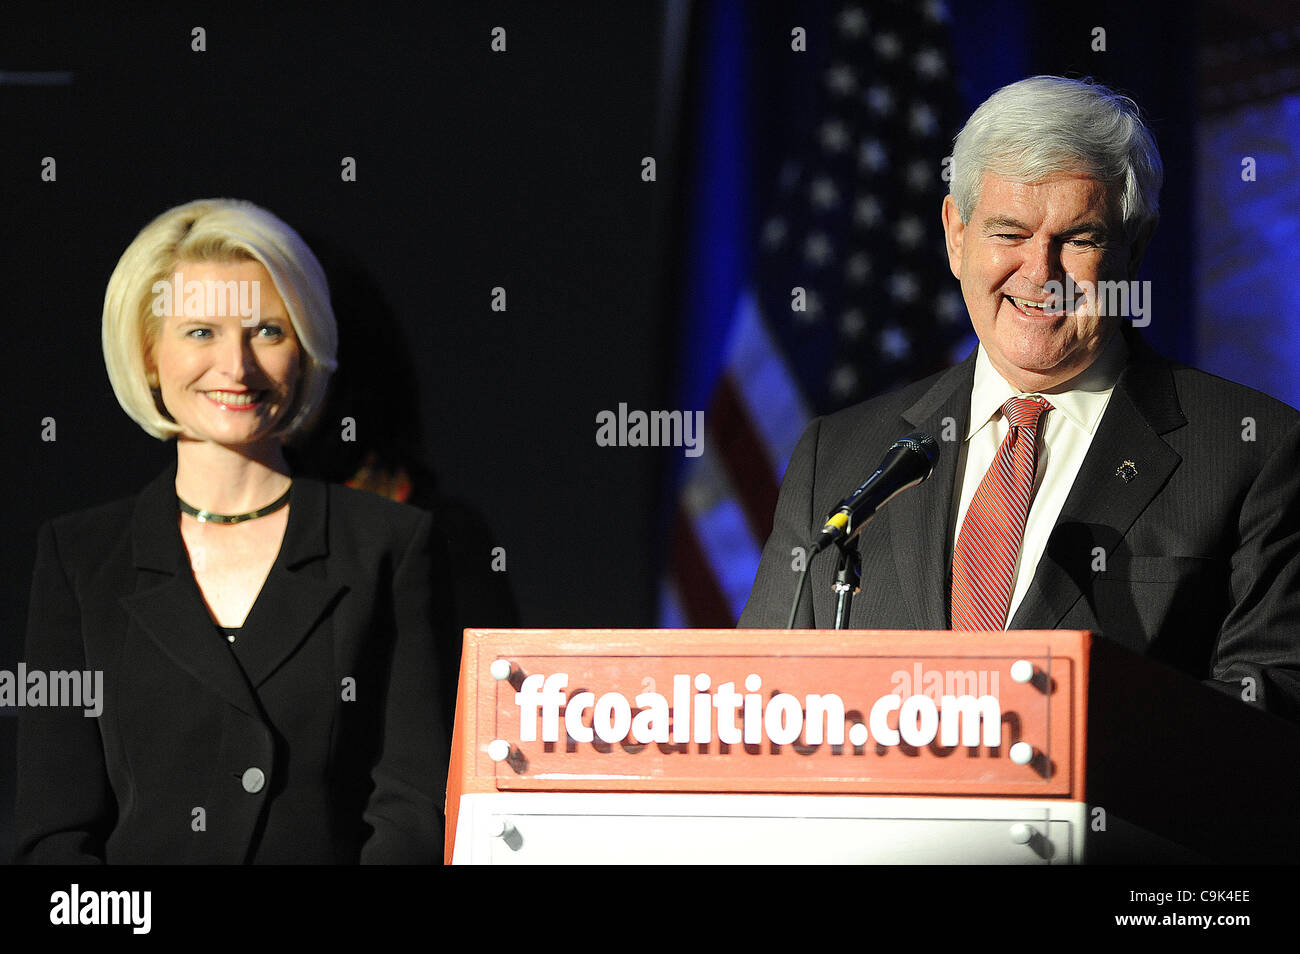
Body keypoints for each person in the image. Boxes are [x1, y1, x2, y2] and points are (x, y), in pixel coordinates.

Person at [739, 76, 1300, 722]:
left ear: (1135, 247)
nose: (1041, 273)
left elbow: (1274, 712)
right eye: (1009, 234)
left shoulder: (1253, 452)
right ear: (956, 235)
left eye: (1080, 240)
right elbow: (763, 707)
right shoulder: (836, 460)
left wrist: (1058, 735)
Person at [16, 198, 453, 863]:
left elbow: (412, 814)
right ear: (149, 355)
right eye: (200, 332)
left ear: (305, 352)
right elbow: (53, 834)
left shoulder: (390, 546)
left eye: (267, 332)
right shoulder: (80, 556)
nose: (237, 367)